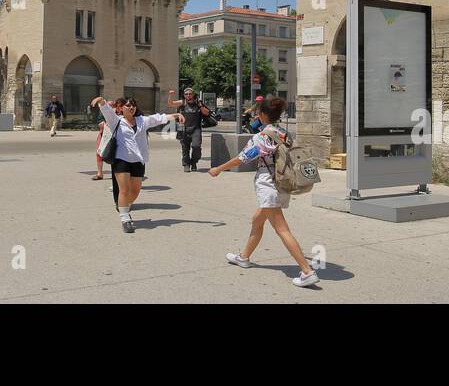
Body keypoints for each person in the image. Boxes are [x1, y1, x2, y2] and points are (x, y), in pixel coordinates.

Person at [209, 96, 318, 288]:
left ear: (262, 114)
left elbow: (242, 158)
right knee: (256, 220)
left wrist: (218, 169)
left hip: (269, 186)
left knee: (281, 229)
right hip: (283, 184)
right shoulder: (284, 133)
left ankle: (307, 271)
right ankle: (244, 257)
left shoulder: (261, 138)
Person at [91, 94, 182, 233]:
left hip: (138, 160)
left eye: (133, 105)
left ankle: (124, 207)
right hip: (121, 159)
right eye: (128, 105)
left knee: (135, 191)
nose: (131, 107)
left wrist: (176, 115)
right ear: (121, 109)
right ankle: (125, 218)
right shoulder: (116, 121)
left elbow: (158, 118)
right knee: (124, 190)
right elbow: (107, 110)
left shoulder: (142, 121)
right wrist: (101, 101)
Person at [168, 87, 212, 172]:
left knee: (196, 147)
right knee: (185, 149)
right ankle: (186, 164)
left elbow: (207, 112)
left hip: (196, 129)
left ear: (193, 94)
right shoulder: (182, 102)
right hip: (184, 129)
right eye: (186, 94)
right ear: (184, 95)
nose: (188, 95)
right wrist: (170, 95)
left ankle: (194, 162)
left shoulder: (198, 103)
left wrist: (200, 106)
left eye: (190, 94)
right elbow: (170, 104)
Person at [93, 97, 125, 181]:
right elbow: (100, 120)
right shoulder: (104, 111)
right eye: (109, 105)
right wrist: (102, 123)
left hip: (114, 135)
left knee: (114, 153)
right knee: (99, 152)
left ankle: (115, 173)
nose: (111, 106)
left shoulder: (120, 113)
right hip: (103, 134)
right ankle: (99, 173)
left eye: (113, 105)